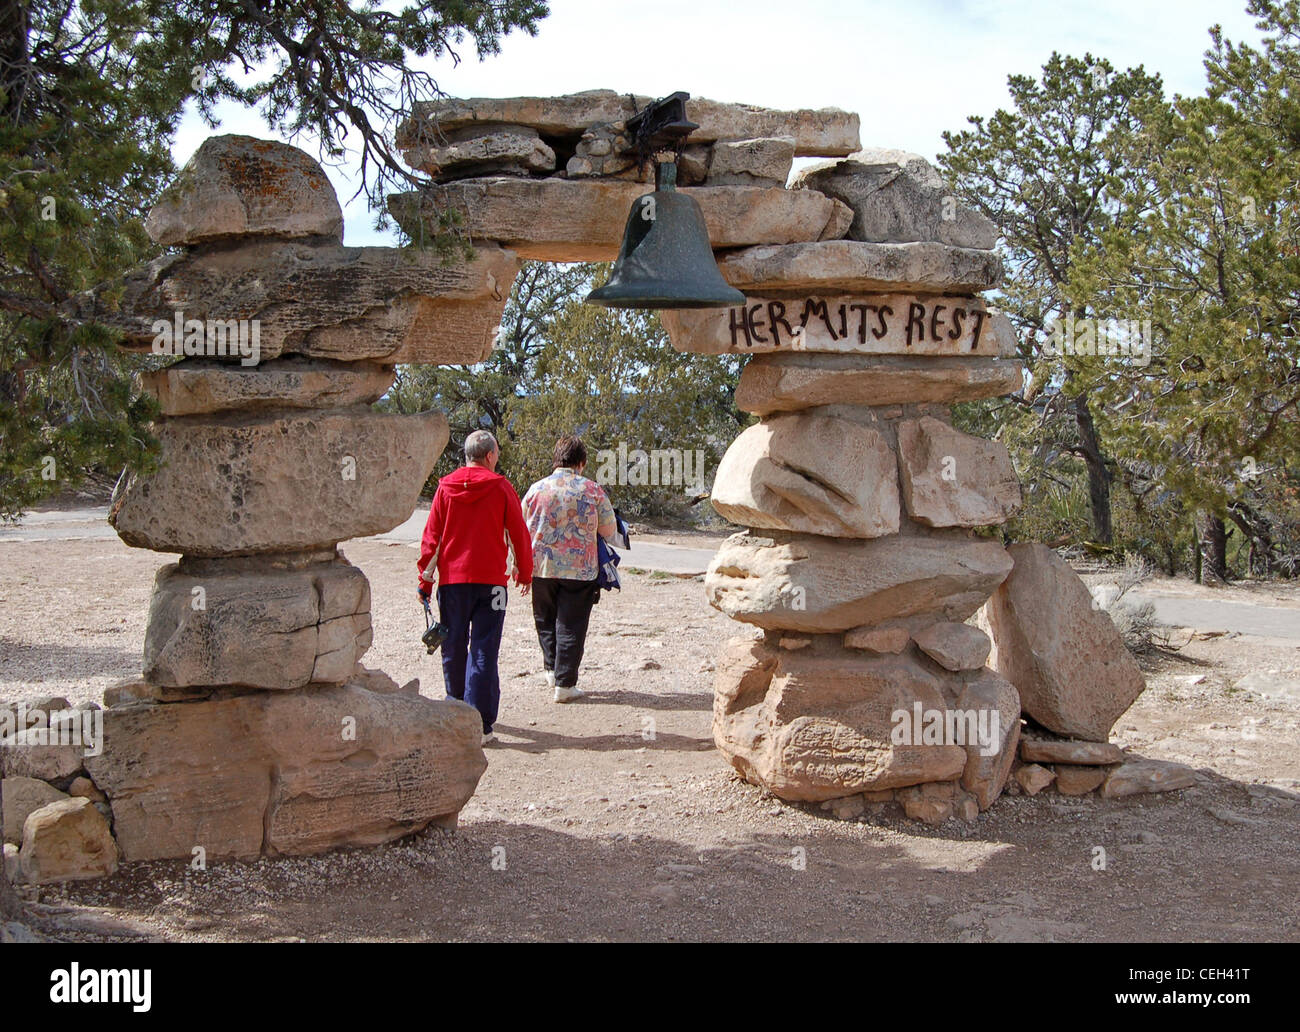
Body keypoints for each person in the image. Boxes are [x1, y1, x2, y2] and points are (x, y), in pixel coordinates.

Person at [417, 430, 532, 745]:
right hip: (492, 584)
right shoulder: (500, 487)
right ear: (491, 455)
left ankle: (456, 713)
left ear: (467, 455)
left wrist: (425, 580)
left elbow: (432, 538)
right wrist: (525, 571)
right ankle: (480, 724)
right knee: (484, 649)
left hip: (453, 583)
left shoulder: (444, 488)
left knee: (453, 646)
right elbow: (519, 532)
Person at [523, 435, 617, 703]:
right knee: (571, 624)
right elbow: (609, 531)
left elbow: (520, 526)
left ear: (556, 459)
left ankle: (551, 671)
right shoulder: (593, 490)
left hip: (541, 566)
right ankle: (565, 684)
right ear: (581, 463)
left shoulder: (536, 490)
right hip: (580, 569)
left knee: (545, 619)